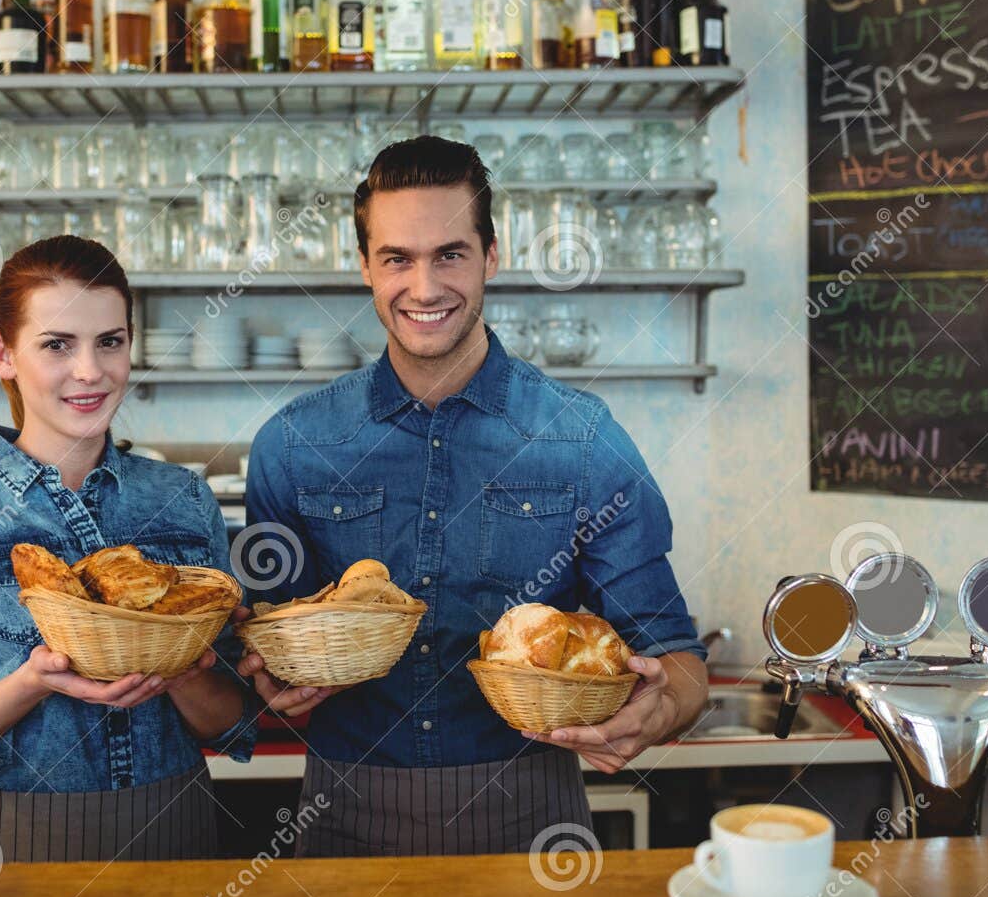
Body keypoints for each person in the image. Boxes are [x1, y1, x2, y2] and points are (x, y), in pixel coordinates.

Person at [239, 136, 709, 856]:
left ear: (492, 255)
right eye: (397, 257)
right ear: (364, 265)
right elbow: (265, 637)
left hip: (533, 825)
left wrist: (660, 709)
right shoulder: (291, 445)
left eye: (450, 254)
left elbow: (675, 655)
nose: (424, 287)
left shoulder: (583, 439)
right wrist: (267, 678)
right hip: (341, 828)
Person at [0, 235, 255, 861]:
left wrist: (181, 668)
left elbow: (233, 723)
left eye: (110, 341)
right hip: (3, 846)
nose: (90, 371)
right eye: (57, 345)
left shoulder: (183, 499)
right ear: (3, 354)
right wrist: (33, 683)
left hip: (175, 832)